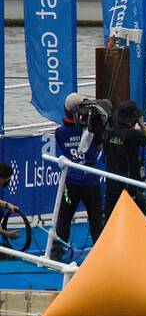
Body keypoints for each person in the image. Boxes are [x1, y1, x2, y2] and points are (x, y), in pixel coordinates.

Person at [51, 93, 106, 262]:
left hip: (71, 180)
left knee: (65, 217)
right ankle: (102, 253)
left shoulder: (60, 132)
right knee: (96, 218)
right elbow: (99, 146)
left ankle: (57, 252)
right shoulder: (89, 130)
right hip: (90, 180)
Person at [103, 101, 146, 216]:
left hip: (112, 184)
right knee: (144, 219)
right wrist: (142, 125)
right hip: (129, 184)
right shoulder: (132, 134)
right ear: (133, 119)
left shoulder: (109, 133)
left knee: (110, 219)